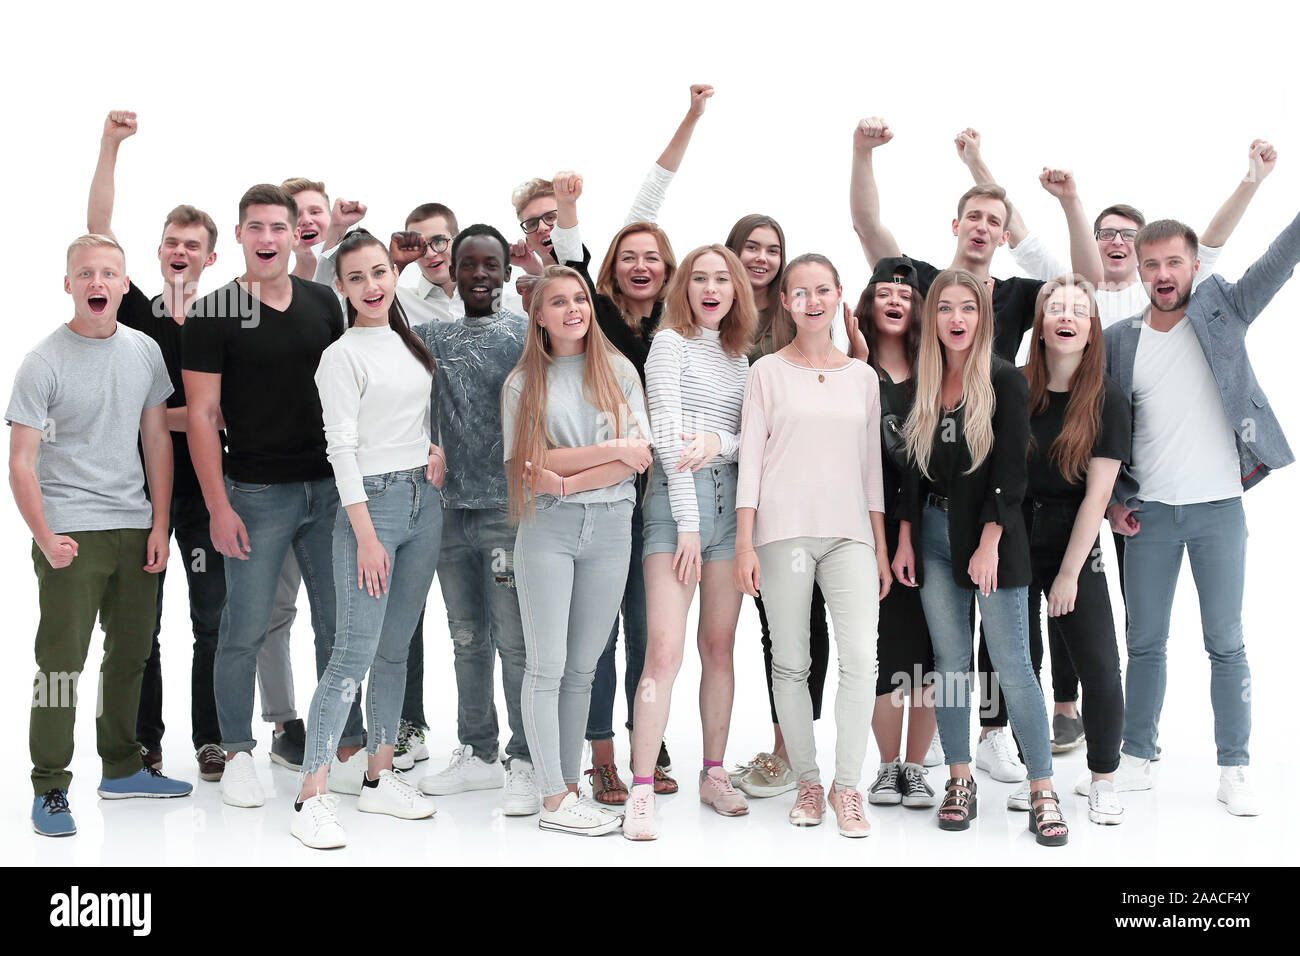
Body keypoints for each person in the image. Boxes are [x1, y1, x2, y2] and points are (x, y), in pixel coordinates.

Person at [960, 131, 1279, 749]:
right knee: (1026, 595)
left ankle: (1131, 734)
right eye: (1107, 231)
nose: (1115, 241)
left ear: (1147, 255)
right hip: (1065, 474)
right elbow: (1019, 233)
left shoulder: (1159, 293)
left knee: (1125, 612)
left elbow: (1211, 239)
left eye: (1130, 237)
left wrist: (1251, 180)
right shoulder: (1071, 294)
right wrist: (980, 164)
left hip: (1134, 481)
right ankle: (1055, 708)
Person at [851, 116, 1105, 778]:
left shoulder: (1019, 296)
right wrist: (863, 154)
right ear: (956, 226)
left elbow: (1084, 282)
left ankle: (996, 734)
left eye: (996, 219)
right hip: (928, 481)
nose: (984, 227)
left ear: (1006, 231)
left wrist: (1009, 178)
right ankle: (952, 736)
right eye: (974, 217)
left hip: (994, 483)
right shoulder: (932, 283)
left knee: (1003, 636)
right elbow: (870, 232)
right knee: (942, 639)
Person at [542, 88, 714, 801]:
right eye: (630, 256)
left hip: (664, 503)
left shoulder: (682, 332)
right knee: (598, 634)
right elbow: (643, 203)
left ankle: (651, 743)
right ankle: (601, 753)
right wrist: (690, 119)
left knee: (654, 631)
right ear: (612, 268)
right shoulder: (599, 316)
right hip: (603, 494)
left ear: (668, 269)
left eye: (654, 257)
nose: (642, 263)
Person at [1103, 212, 1299, 816]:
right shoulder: (1119, 340)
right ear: (1140, 270)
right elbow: (1101, 429)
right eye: (1152, 264)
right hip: (1150, 516)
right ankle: (1135, 757)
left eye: (1174, 263)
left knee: (1227, 643)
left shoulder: (1225, 310)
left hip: (1219, 509)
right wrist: (1114, 500)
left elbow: (1278, 258)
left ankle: (1234, 769)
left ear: (1194, 266)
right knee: (1145, 644)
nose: (1163, 275)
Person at [183, 183, 364, 809]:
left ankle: (343, 746)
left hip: (328, 493)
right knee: (244, 627)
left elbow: (347, 395)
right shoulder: (213, 312)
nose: (267, 239)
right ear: (239, 236)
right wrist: (218, 505)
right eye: (254, 228)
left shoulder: (322, 302)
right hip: (256, 493)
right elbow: (203, 416)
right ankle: (237, 751)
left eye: (277, 228)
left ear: (295, 235)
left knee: (340, 625)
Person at [10, 234, 192, 837]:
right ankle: (50, 785)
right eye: (85, 273)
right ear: (69, 284)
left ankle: (121, 767)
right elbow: (20, 461)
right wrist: (44, 535)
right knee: (61, 662)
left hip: (135, 525)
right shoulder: (44, 360)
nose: (97, 283)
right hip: (72, 533)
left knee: (132, 654)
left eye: (109, 273)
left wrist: (160, 522)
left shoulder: (142, 350)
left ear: (122, 285)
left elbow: (157, 439)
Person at [892, 269, 1068, 847]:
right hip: (936, 538)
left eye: (968, 308)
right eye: (946, 308)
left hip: (993, 540)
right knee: (949, 664)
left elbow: (1013, 471)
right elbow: (914, 476)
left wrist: (990, 539)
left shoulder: (1003, 380)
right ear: (932, 317)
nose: (957, 318)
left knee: (1012, 663)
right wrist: (907, 539)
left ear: (982, 316)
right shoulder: (924, 380)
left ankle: (1043, 788)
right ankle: (960, 778)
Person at [85, 109, 227, 783]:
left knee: (213, 623)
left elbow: (224, 421)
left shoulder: (228, 318)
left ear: (209, 256)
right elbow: (97, 232)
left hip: (204, 497)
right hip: (136, 497)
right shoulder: (135, 311)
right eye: (172, 240)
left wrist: (157, 416)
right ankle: (146, 741)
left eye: (192, 243)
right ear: (160, 249)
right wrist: (111, 146)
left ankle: (213, 740)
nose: (180, 249)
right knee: (139, 629)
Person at [291, 230, 444, 848]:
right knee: (352, 655)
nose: (372, 286)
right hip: (371, 511)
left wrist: (431, 448)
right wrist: (366, 536)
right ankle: (311, 795)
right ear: (342, 287)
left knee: (394, 651)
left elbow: (411, 414)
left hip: (422, 503)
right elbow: (343, 449)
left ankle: (380, 775)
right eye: (357, 278)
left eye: (380, 273)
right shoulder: (341, 355)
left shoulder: (409, 343)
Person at [735, 253, 890, 837]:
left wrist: (878, 546)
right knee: (792, 662)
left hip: (850, 534)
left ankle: (847, 787)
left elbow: (871, 469)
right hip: (782, 533)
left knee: (861, 661)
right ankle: (807, 779)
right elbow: (750, 461)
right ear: (785, 302)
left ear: (839, 296)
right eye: (801, 292)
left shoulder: (863, 377)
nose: (813, 301)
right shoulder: (766, 372)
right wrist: (745, 545)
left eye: (823, 290)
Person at [504, 264, 651, 834]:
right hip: (548, 530)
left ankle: (567, 787)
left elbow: (639, 457)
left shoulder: (617, 371)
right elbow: (527, 465)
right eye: (559, 302)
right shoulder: (523, 384)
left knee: (583, 669)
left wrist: (566, 475)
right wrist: (607, 450)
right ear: (538, 316)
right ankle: (551, 798)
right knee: (546, 665)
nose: (574, 310)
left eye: (581, 299)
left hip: (613, 527)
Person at [623, 244, 757, 840]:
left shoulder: (743, 359)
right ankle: (642, 788)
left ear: (735, 292)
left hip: (731, 509)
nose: (710, 288)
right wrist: (688, 527)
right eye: (699, 278)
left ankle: (714, 773)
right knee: (664, 652)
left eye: (721, 280)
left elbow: (745, 440)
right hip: (678, 508)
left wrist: (720, 444)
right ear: (684, 287)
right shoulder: (669, 345)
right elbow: (668, 439)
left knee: (720, 648)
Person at [413, 225, 541, 817]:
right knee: (466, 638)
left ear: (502, 271)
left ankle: (526, 758)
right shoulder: (430, 336)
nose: (481, 275)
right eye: (470, 265)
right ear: (453, 272)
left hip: (504, 512)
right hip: (446, 514)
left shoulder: (523, 334)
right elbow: (374, 321)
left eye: (491, 265)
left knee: (514, 641)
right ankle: (478, 751)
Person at [724, 213, 836, 797]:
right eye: (751, 247)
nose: (761, 258)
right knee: (720, 635)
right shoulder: (716, 314)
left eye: (772, 249)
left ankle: (788, 748)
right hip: (720, 490)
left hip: (791, 502)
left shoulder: (797, 323)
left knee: (791, 627)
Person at [1020, 276, 1128, 825]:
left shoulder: (1108, 399)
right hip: (1015, 532)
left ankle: (1104, 777)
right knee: (1014, 662)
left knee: (1101, 667)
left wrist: (1069, 574)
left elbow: (1098, 496)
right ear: (1040, 324)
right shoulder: (1014, 387)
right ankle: (1030, 770)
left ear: (1091, 329)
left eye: (1078, 311)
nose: (1066, 317)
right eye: (1055, 308)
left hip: (1072, 535)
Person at [846, 258, 939, 809]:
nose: (895, 300)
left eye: (905, 293)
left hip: (931, 530)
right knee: (882, 651)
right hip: (869, 531)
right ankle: (885, 768)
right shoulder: (855, 373)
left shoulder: (934, 371)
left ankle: (915, 766)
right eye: (884, 292)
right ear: (868, 305)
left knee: (929, 655)